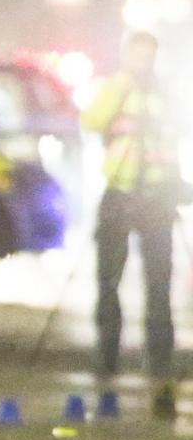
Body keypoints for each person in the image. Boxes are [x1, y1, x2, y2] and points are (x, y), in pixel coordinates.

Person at [81, 30, 182, 419]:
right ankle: (107, 359)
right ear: (126, 56)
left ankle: (159, 364)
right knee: (108, 281)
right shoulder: (115, 88)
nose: (143, 62)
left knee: (159, 286)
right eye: (137, 55)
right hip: (120, 193)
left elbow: (177, 136)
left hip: (157, 197)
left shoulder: (167, 94)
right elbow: (92, 122)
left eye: (148, 55)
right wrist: (121, 90)